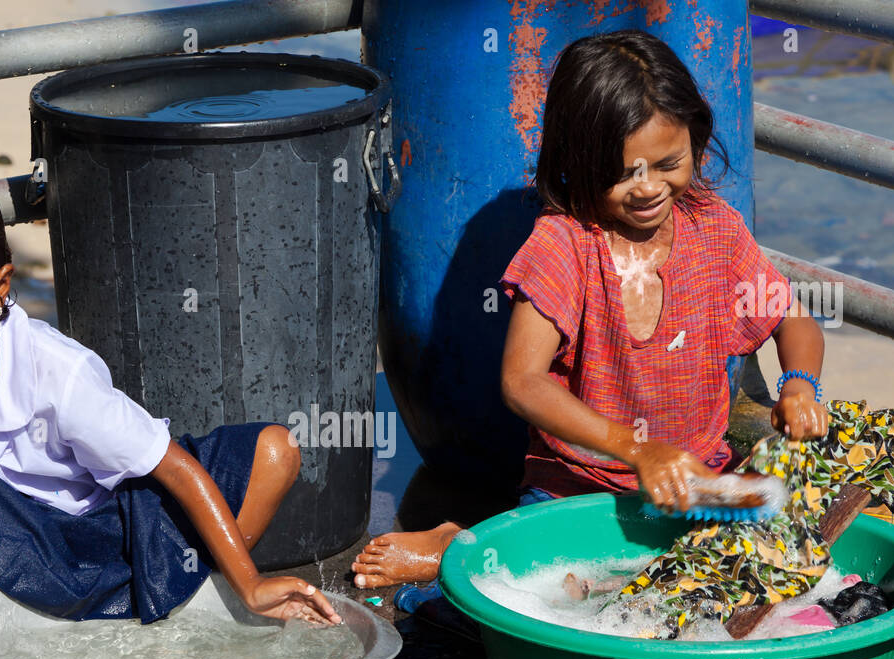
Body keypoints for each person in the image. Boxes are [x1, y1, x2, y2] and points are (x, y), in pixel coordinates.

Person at [353, 29, 829, 589]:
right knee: (558, 599)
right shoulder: (563, 245)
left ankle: (488, 539)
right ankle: (459, 544)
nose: (648, 187)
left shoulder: (716, 231)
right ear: (575, 164)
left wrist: (798, 386)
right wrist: (638, 450)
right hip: (573, 487)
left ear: (696, 141)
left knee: (784, 558)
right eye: (622, 173)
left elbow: (792, 320)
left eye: (667, 162)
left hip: (695, 484)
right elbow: (522, 384)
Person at [0, 170, 339, 649]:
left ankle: (208, 588)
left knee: (274, 450)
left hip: (111, 525)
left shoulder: (58, 372)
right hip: (9, 537)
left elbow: (178, 472)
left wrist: (250, 583)